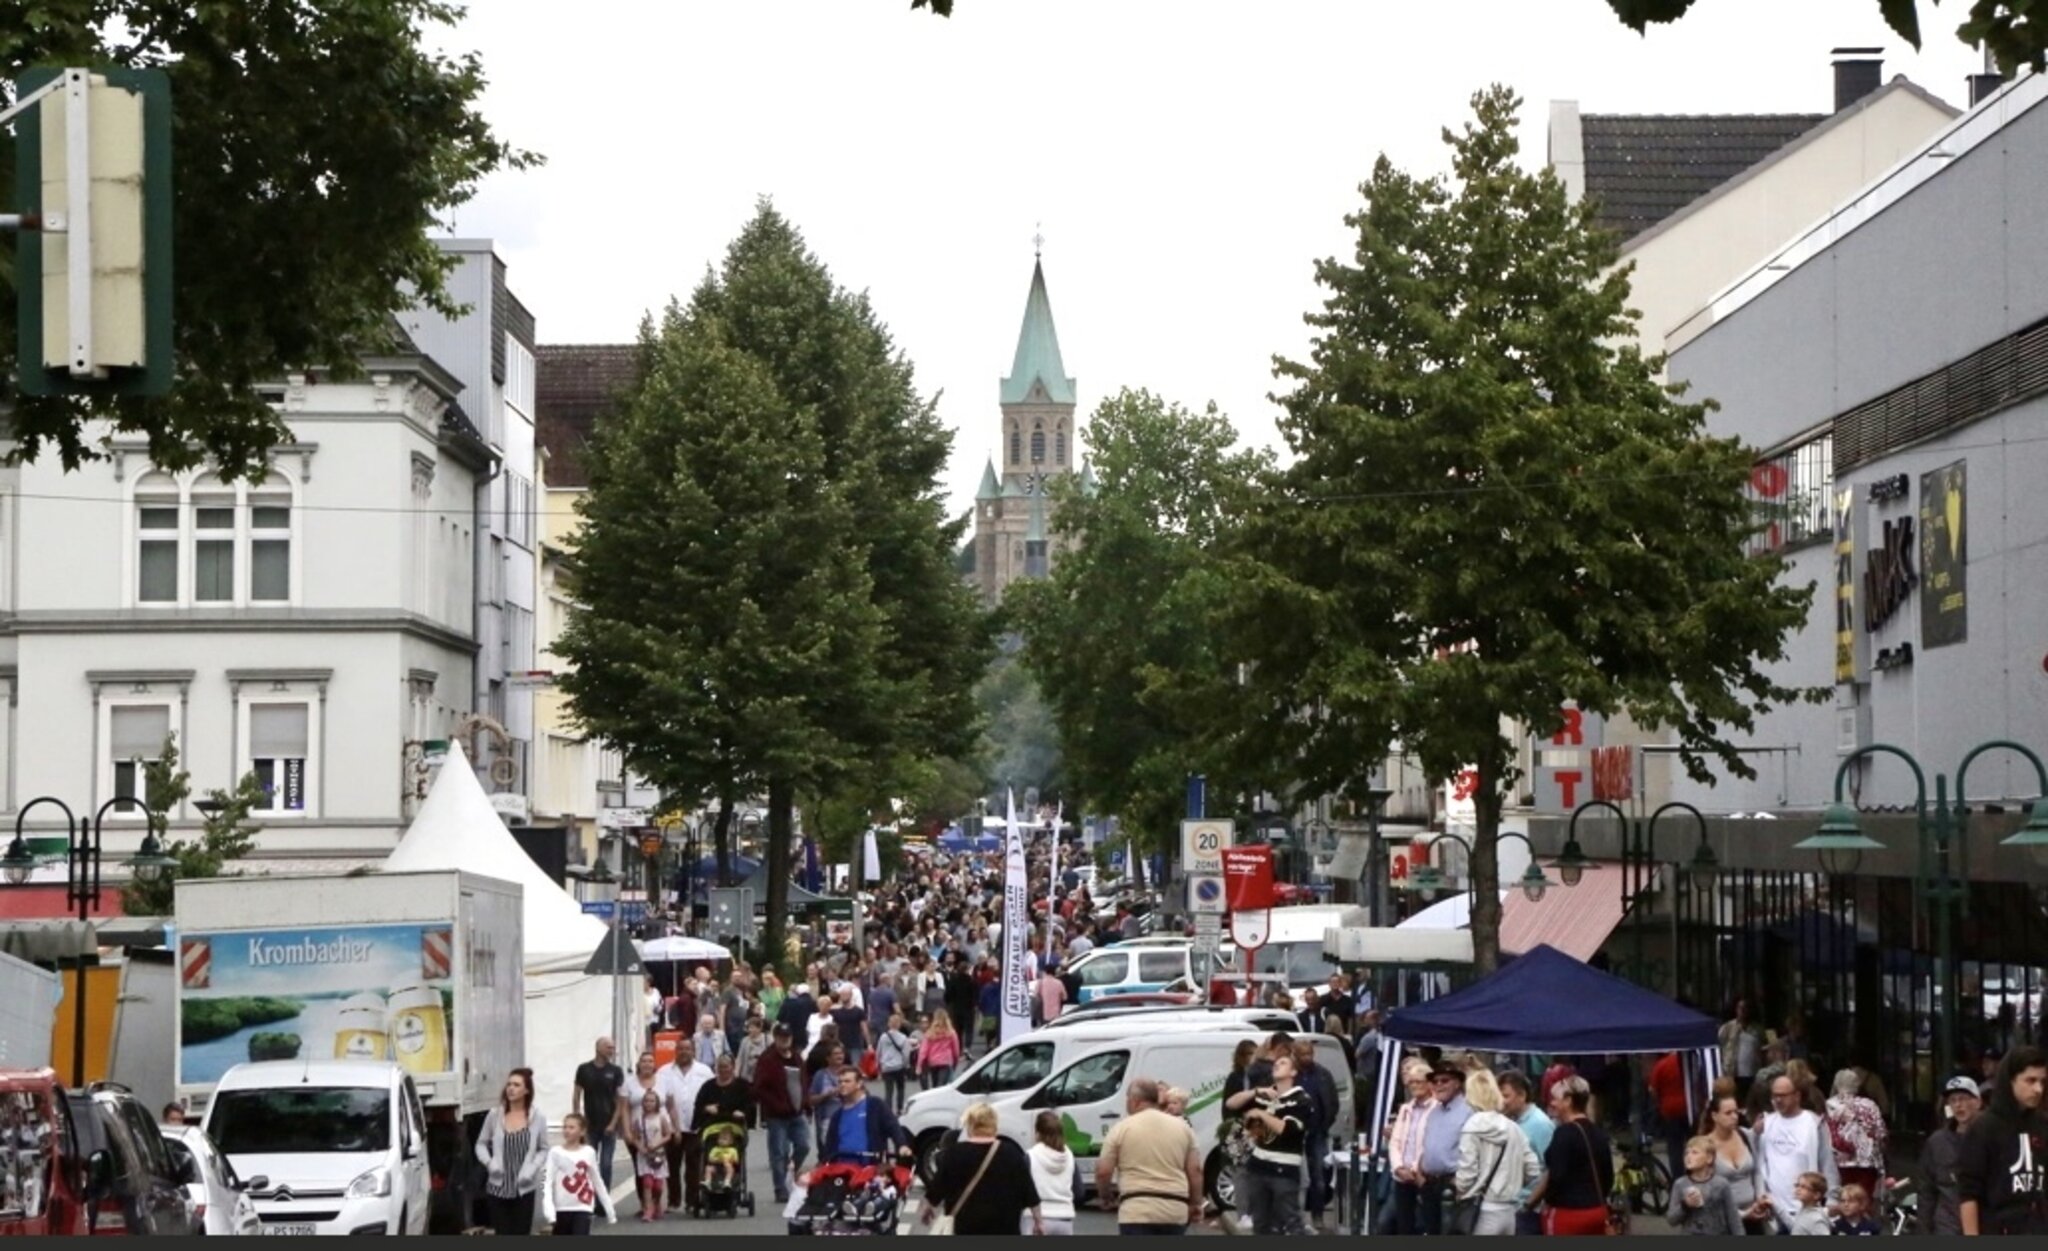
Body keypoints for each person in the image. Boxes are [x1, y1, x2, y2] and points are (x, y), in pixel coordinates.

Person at [1956, 1044, 2048, 1235]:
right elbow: (1969, 1194)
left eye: (2042, 1081)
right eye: (2030, 1080)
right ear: (2011, 1081)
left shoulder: (2042, 1124)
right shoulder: (1983, 1128)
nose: (2038, 1089)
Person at [1096, 1078, 1203, 1235]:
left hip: (1136, 1210)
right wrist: (1195, 1203)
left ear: (1135, 1101)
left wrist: (1106, 1196)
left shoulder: (1121, 1128)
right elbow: (1195, 1170)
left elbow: (1103, 1172)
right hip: (1174, 1209)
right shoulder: (1183, 1128)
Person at [1224, 1049, 1313, 1234]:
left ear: (1293, 1072)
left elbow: (1287, 1130)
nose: (1276, 1065)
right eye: (1276, 1062)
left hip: (1283, 1171)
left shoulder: (1301, 1099)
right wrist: (1256, 1092)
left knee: (1290, 1223)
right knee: (1261, 1224)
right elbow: (1231, 1103)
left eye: (1283, 1063)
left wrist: (1261, 1115)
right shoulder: (1267, 1095)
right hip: (1258, 1167)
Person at [922, 1102, 1043, 1235]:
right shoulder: (1012, 1153)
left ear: (970, 1125)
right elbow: (1030, 1193)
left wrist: (928, 1209)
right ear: (994, 1125)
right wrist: (1038, 1222)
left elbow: (936, 1189)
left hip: (966, 1229)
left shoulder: (954, 1154)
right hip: (1004, 1229)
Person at [1454, 1069, 1541, 1236]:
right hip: (1509, 1211)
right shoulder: (1513, 1127)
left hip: (1483, 1210)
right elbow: (1533, 1169)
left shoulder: (1472, 1126)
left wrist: (1462, 1189)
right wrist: (1512, 1183)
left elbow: (1466, 1174)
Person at [1528, 1075, 1613, 1237]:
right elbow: (1608, 1177)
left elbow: (1556, 1177)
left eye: (1554, 1099)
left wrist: (1543, 1202)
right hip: (1597, 1211)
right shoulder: (1599, 1134)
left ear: (1568, 1100)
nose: (1551, 1104)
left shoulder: (1563, 1134)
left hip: (1567, 1214)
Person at [1757, 1073, 1841, 1232]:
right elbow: (1759, 1164)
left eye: (1783, 1095)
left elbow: (1828, 1164)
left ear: (1797, 1096)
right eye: (1774, 1096)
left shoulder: (1814, 1123)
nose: (1778, 1100)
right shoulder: (1766, 1123)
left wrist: (1832, 1199)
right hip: (1774, 1211)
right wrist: (1762, 1195)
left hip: (1805, 1212)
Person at [476, 1068, 549, 1236]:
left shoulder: (537, 1117)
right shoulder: (494, 1115)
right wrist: (490, 1162)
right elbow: (480, 1144)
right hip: (498, 1189)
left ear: (526, 1090)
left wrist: (532, 1168)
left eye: (516, 1085)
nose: (511, 1088)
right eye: (509, 1084)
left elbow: (544, 1149)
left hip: (524, 1189)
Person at [750, 1022, 810, 1205]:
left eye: (787, 1037)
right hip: (777, 1114)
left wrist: (806, 1104)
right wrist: (775, 1105)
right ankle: (780, 1189)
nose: (785, 1040)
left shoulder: (797, 1058)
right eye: (781, 1037)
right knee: (778, 1153)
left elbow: (803, 1082)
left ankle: (790, 1169)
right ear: (775, 1038)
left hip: (796, 1111)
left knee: (803, 1145)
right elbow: (759, 1088)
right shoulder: (767, 1059)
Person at [1919, 1075, 1982, 1235]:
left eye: (1964, 1098)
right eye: (1953, 1100)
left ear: (1978, 1102)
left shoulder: (1992, 1137)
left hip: (1982, 1222)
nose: (1958, 1105)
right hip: (1947, 1225)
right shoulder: (1937, 1142)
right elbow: (1927, 1190)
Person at [1701, 1091, 1770, 1234]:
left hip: (1754, 1217)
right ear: (1715, 1116)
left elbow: (1756, 1171)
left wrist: (1760, 1197)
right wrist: (1742, 1214)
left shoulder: (1745, 1135)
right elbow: (1707, 1193)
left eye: (1736, 1112)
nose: (1734, 1117)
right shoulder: (1705, 1146)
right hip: (1723, 1221)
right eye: (1728, 1113)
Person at [1417, 1060, 1472, 1235]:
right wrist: (1420, 1172)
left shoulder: (1469, 1112)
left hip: (1451, 1186)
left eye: (1445, 1080)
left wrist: (1459, 1181)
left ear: (1457, 1083)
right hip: (1429, 1184)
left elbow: (1472, 1152)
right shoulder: (1433, 1112)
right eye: (1435, 1081)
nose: (1439, 1085)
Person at [820, 1063, 913, 1166]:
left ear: (859, 1083)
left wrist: (902, 1145)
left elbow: (893, 1127)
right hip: (842, 1171)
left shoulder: (875, 1105)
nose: (842, 1084)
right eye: (840, 1082)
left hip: (871, 1168)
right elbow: (829, 1146)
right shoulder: (837, 1116)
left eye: (847, 1081)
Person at [1292, 1038, 1342, 1232]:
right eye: (1303, 1054)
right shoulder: (1292, 1075)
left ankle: (1317, 1215)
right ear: (1295, 1055)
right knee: (1298, 1178)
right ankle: (1298, 1218)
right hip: (1295, 1133)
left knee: (1319, 1177)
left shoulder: (1323, 1074)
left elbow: (1333, 1102)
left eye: (1309, 1054)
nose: (1307, 1058)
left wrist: (1325, 1123)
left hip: (1318, 1132)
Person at [540, 1112, 618, 1235]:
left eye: (571, 1127)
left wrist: (609, 1210)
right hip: (561, 1208)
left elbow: (597, 1181)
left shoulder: (588, 1152)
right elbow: (547, 1182)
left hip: (583, 1206)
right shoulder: (555, 1152)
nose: (567, 1130)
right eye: (565, 1127)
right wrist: (549, 1211)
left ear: (582, 1131)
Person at [661, 1038, 713, 1215]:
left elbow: (711, 1094)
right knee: (672, 1166)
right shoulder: (664, 1071)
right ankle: (674, 1201)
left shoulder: (704, 1071)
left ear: (693, 1051)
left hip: (696, 1125)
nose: (684, 1052)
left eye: (688, 1049)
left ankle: (692, 1201)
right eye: (681, 1049)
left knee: (693, 1166)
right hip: (672, 1127)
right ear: (676, 1050)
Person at [1385, 1057, 1437, 1235]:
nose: (1414, 1085)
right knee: (1403, 1225)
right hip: (1402, 1177)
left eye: (1419, 1082)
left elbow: (1430, 1142)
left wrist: (1415, 1169)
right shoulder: (1405, 1109)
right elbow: (1396, 1141)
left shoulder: (1437, 1109)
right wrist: (1398, 1167)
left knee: (1425, 1224)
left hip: (1423, 1177)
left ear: (1430, 1084)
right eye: (1411, 1082)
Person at [1498, 1069, 1552, 1236]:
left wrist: (1528, 1205)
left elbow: (1552, 1169)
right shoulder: (1509, 1121)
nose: (1501, 1102)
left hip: (1528, 1211)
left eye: (1506, 1096)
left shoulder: (1540, 1124)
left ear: (1521, 1095)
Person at [572, 1036, 626, 1188]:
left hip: (609, 1125)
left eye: (613, 1048)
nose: (612, 1050)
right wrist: (577, 1118)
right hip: (590, 1125)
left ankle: (603, 1199)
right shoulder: (584, 1069)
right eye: (609, 1047)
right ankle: (589, 1198)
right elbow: (576, 1094)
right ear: (598, 1048)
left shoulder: (616, 1071)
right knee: (589, 1164)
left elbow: (620, 1100)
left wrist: (614, 1123)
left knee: (606, 1165)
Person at [1825, 1067, 1888, 1198]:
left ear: (1836, 1084)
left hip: (1839, 1163)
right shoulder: (1869, 1104)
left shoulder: (1829, 1106)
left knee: (1844, 1200)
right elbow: (1881, 1133)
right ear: (1856, 1085)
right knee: (1863, 1199)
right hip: (1867, 1163)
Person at [1667, 1135, 1743, 1236]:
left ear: (1709, 1158)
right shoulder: (1680, 1184)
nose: (1688, 1156)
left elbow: (1733, 1218)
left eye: (1695, 1152)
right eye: (1686, 1153)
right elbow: (1672, 1219)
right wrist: (1685, 1205)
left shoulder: (1721, 1184)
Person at [1027, 1109, 1078, 1236]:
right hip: (1065, 1219)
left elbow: (1023, 1190)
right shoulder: (1069, 1156)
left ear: (1037, 1133)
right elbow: (1079, 1191)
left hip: (1036, 1219)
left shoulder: (1031, 1156)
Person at [627, 1089, 673, 1222]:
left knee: (658, 1186)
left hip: (658, 1155)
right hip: (645, 1156)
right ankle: (648, 1209)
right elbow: (634, 1137)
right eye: (646, 1101)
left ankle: (657, 1202)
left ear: (657, 1103)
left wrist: (658, 1144)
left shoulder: (661, 1118)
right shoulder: (639, 1120)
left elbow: (668, 1135)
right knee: (647, 1182)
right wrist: (640, 1147)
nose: (649, 1103)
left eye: (652, 1101)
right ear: (642, 1103)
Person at [1648, 1050, 1693, 1184]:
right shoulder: (1688, 1064)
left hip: (1669, 1110)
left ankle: (1678, 1179)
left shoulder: (1661, 1065)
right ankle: (1694, 1172)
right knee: (1692, 1144)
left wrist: (1659, 1101)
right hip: (1688, 1108)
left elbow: (1652, 1089)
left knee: (1675, 1147)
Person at [1720, 999, 1764, 1101]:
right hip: (1732, 1072)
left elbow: (1764, 1046)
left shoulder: (1758, 1029)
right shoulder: (1727, 1027)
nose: (1743, 1011)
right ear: (1736, 1010)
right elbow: (1720, 1044)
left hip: (1753, 1072)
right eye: (1740, 1008)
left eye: (1746, 1008)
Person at [875, 1011, 916, 1113]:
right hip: (899, 1066)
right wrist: (906, 1065)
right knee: (900, 1088)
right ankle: (899, 1108)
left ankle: (888, 1110)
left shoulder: (883, 1037)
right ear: (899, 1024)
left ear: (889, 1024)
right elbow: (906, 1054)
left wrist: (879, 1065)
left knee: (888, 1090)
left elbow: (878, 1052)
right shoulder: (903, 1037)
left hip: (886, 1067)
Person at [917, 1010, 963, 1086]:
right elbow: (956, 1050)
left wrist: (919, 1065)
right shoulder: (951, 1033)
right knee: (942, 1085)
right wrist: (955, 1061)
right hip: (946, 1062)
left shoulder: (930, 1033)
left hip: (933, 1063)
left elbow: (923, 1051)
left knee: (935, 1085)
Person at [703, 1124, 742, 1193]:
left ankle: (727, 1182)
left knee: (729, 1168)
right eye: (720, 1138)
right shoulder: (715, 1149)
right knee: (708, 1168)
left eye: (725, 1139)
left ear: (731, 1141)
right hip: (716, 1167)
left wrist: (729, 1160)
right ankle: (707, 1182)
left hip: (727, 1167)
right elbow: (710, 1159)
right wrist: (717, 1160)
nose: (722, 1140)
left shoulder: (733, 1150)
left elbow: (736, 1161)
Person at [736, 1015, 769, 1085]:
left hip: (761, 1077)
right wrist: (736, 1074)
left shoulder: (767, 1040)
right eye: (749, 1028)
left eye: (752, 1027)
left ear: (759, 1028)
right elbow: (739, 1058)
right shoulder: (745, 1041)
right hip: (745, 1077)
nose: (750, 1030)